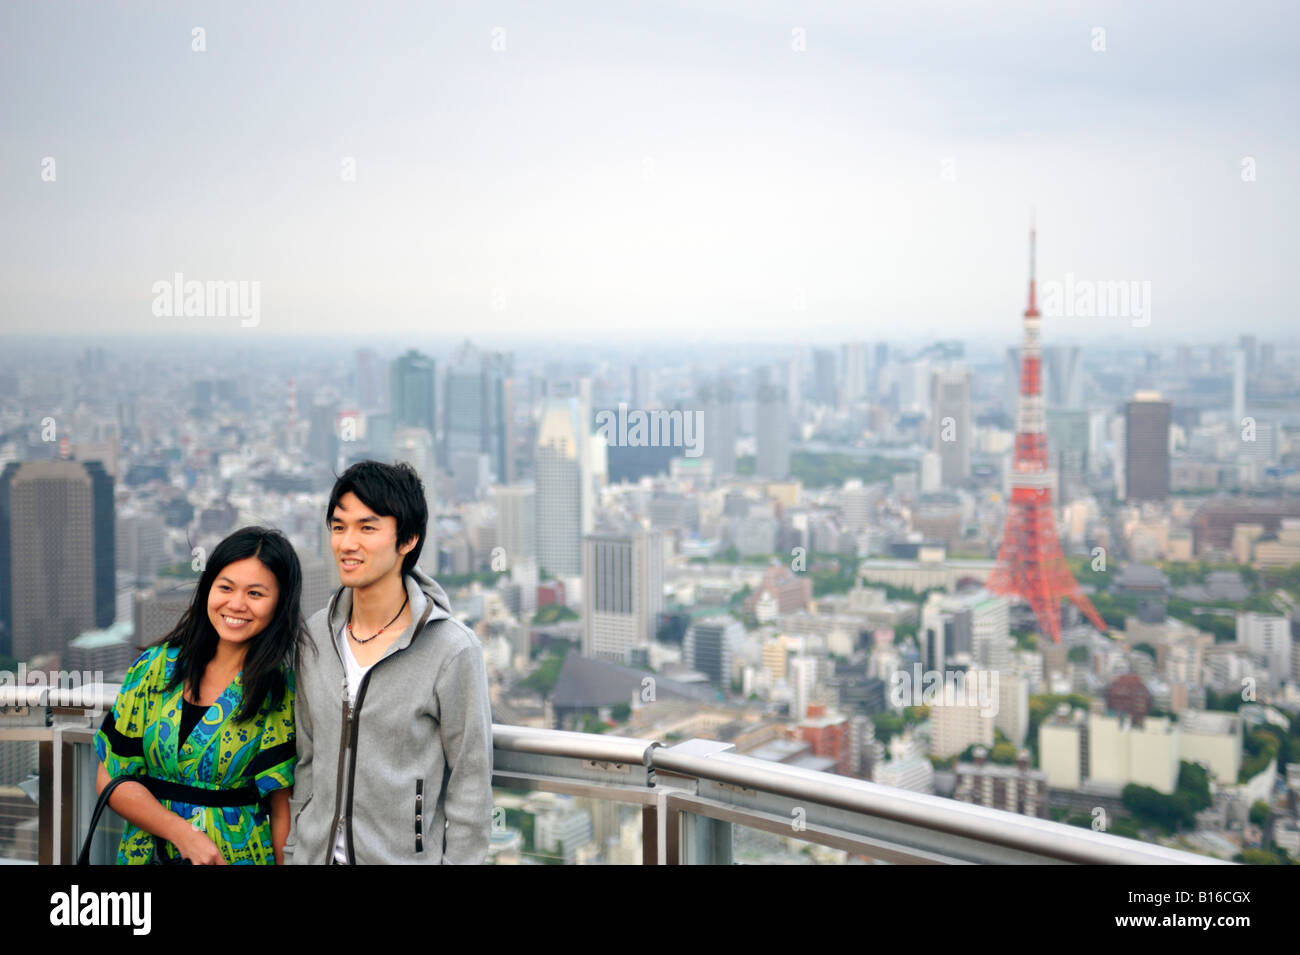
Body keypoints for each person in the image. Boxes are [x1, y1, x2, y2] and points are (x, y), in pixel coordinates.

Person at [285, 460, 493, 864]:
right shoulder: (314, 638)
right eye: (339, 526)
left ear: (408, 539)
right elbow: (307, 762)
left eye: (367, 527)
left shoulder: (452, 650)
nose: (347, 543)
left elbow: (471, 787)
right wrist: (295, 850)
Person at [94, 526, 302, 864]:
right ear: (207, 589)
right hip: (148, 856)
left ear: (279, 604)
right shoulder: (155, 668)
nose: (236, 604)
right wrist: (181, 833)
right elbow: (110, 777)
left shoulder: (278, 692)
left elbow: (282, 811)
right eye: (225, 587)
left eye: (255, 594)